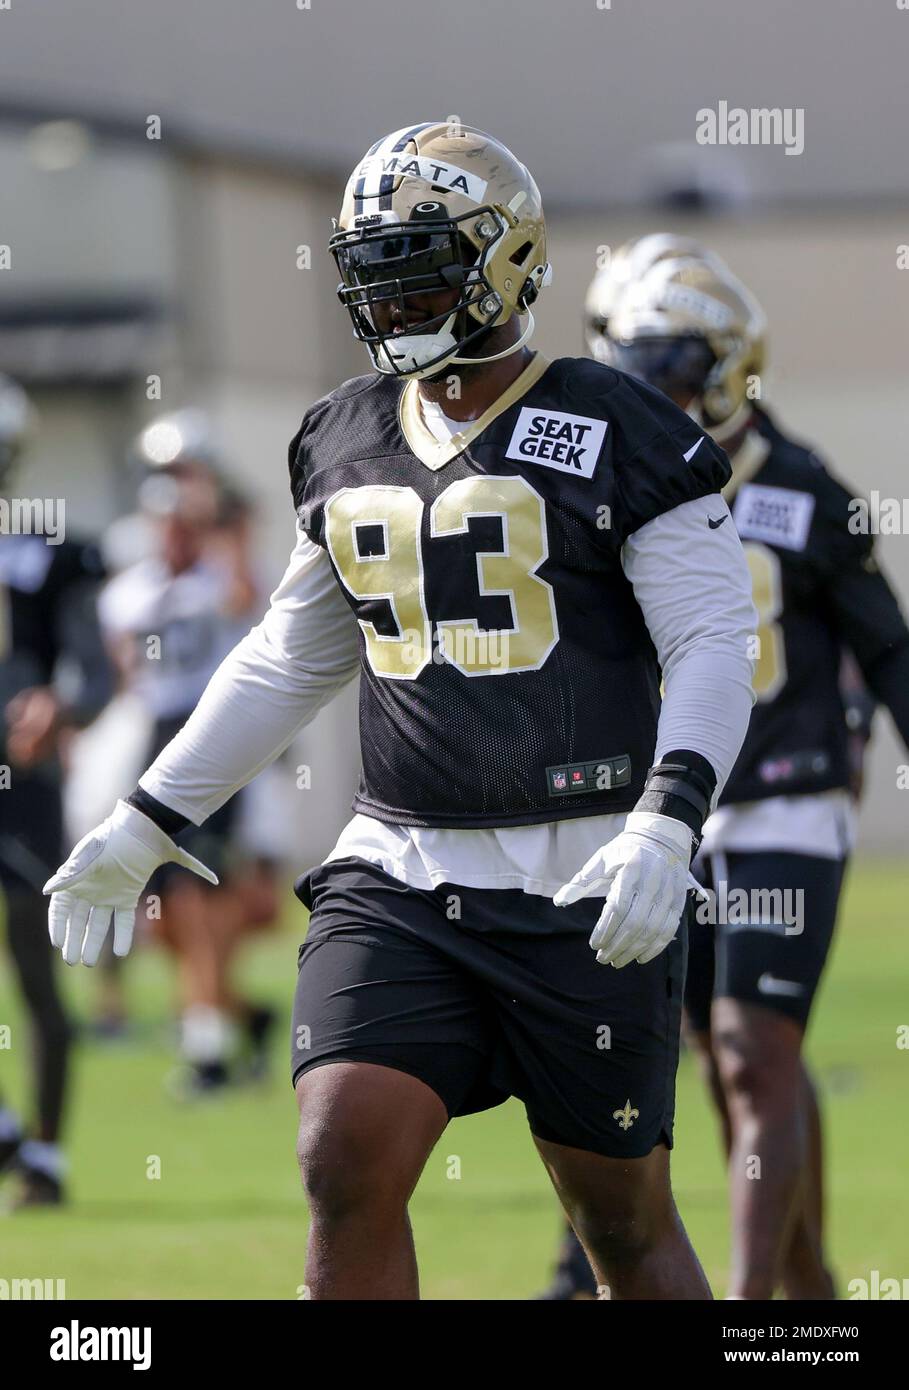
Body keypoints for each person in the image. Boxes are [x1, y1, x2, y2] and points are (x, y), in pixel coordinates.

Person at [44, 124, 756, 1298]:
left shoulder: (626, 426)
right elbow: (290, 656)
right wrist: (146, 818)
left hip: (585, 874)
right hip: (402, 866)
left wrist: (668, 818)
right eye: (374, 264)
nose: (391, 291)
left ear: (507, 260)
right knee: (341, 1148)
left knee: (620, 1223)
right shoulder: (345, 431)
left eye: (421, 260)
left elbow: (713, 642)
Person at [565, 234, 909, 1300]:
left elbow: (889, 646)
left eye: (678, 363)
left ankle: (751, 1309)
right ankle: (808, 1288)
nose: (658, 386)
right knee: (717, 1061)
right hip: (667, 808)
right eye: (641, 363)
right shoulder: (605, 479)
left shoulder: (802, 488)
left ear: (729, 365)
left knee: (753, 1047)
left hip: (785, 797)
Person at [97, 421, 276, 1092]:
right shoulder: (130, 589)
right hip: (153, 736)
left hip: (212, 735)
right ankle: (242, 1015)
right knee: (163, 918)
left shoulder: (216, 576)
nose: (173, 533)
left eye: (183, 523)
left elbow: (241, 594)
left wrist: (219, 511)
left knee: (203, 893)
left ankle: (205, 1044)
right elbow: (120, 670)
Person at [0, 373, 111, 1208]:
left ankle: (45, 1154)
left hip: (23, 784)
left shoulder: (49, 550)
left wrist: (62, 704)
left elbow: (99, 675)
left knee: (37, 971)